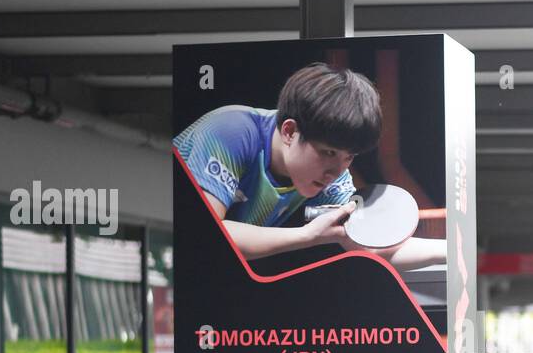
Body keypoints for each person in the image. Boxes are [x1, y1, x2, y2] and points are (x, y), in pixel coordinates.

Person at [174, 62, 445, 269]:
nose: (336, 171)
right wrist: (306, 236)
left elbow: (368, 248)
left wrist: (449, 251)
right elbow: (208, 237)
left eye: (349, 157)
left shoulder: (333, 177)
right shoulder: (230, 133)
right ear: (290, 132)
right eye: (328, 152)